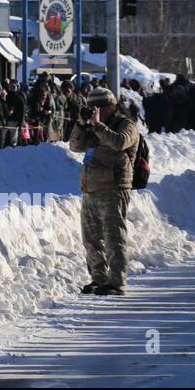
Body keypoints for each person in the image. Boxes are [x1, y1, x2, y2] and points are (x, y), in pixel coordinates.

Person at [67, 86, 139, 297]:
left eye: (98, 107)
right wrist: (81, 125)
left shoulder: (126, 124)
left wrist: (98, 126)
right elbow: (75, 146)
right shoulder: (92, 127)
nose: (94, 111)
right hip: (91, 187)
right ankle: (98, 278)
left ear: (112, 106)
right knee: (91, 238)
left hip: (114, 187)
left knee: (113, 236)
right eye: (91, 107)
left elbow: (119, 142)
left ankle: (116, 281)